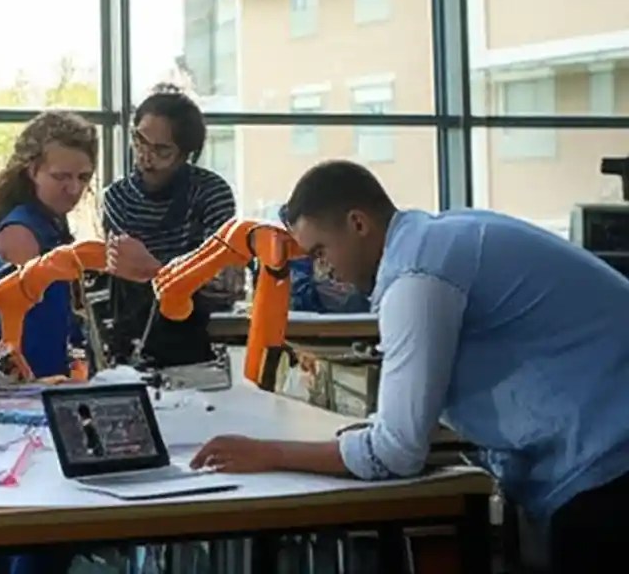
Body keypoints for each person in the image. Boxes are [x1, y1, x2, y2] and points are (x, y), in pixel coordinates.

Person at [191, 159, 629, 571]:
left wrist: (266, 453)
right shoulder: (437, 238)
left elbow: (396, 452)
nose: (323, 272)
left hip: (608, 460)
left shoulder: (417, 278)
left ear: (358, 223)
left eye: (321, 251)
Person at [102, 83, 243, 367]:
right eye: (139, 141)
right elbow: (121, 276)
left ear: (186, 153)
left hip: (193, 334)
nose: (145, 157)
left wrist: (155, 269)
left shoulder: (210, 193)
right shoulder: (117, 197)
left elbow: (222, 283)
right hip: (132, 336)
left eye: (162, 151)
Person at [0, 111, 97, 379]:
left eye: (83, 177)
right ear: (32, 171)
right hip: (30, 382)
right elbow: (19, 332)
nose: (74, 189)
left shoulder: (53, 221)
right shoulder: (21, 232)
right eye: (61, 177)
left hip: (53, 377)